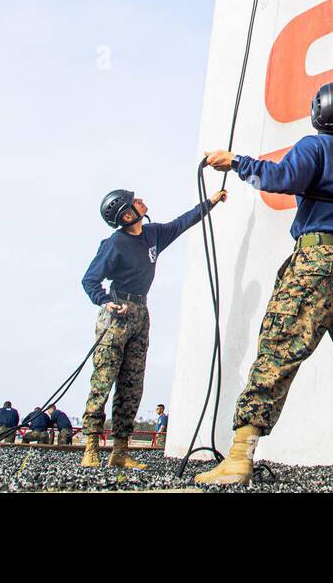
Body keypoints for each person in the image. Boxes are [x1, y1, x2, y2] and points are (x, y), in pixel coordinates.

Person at [195, 82, 333, 489]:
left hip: (316, 262)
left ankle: (240, 457)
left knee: (279, 350)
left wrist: (236, 162)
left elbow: (279, 179)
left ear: (317, 114)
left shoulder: (312, 148)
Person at [80, 187, 227, 469]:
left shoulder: (153, 234)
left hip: (141, 314)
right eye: (135, 201)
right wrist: (106, 302)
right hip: (116, 315)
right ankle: (91, 446)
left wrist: (211, 202)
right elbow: (90, 280)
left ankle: (120, 451)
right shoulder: (114, 244)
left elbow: (182, 222)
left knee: (132, 384)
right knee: (103, 380)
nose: (141, 200)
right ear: (127, 214)